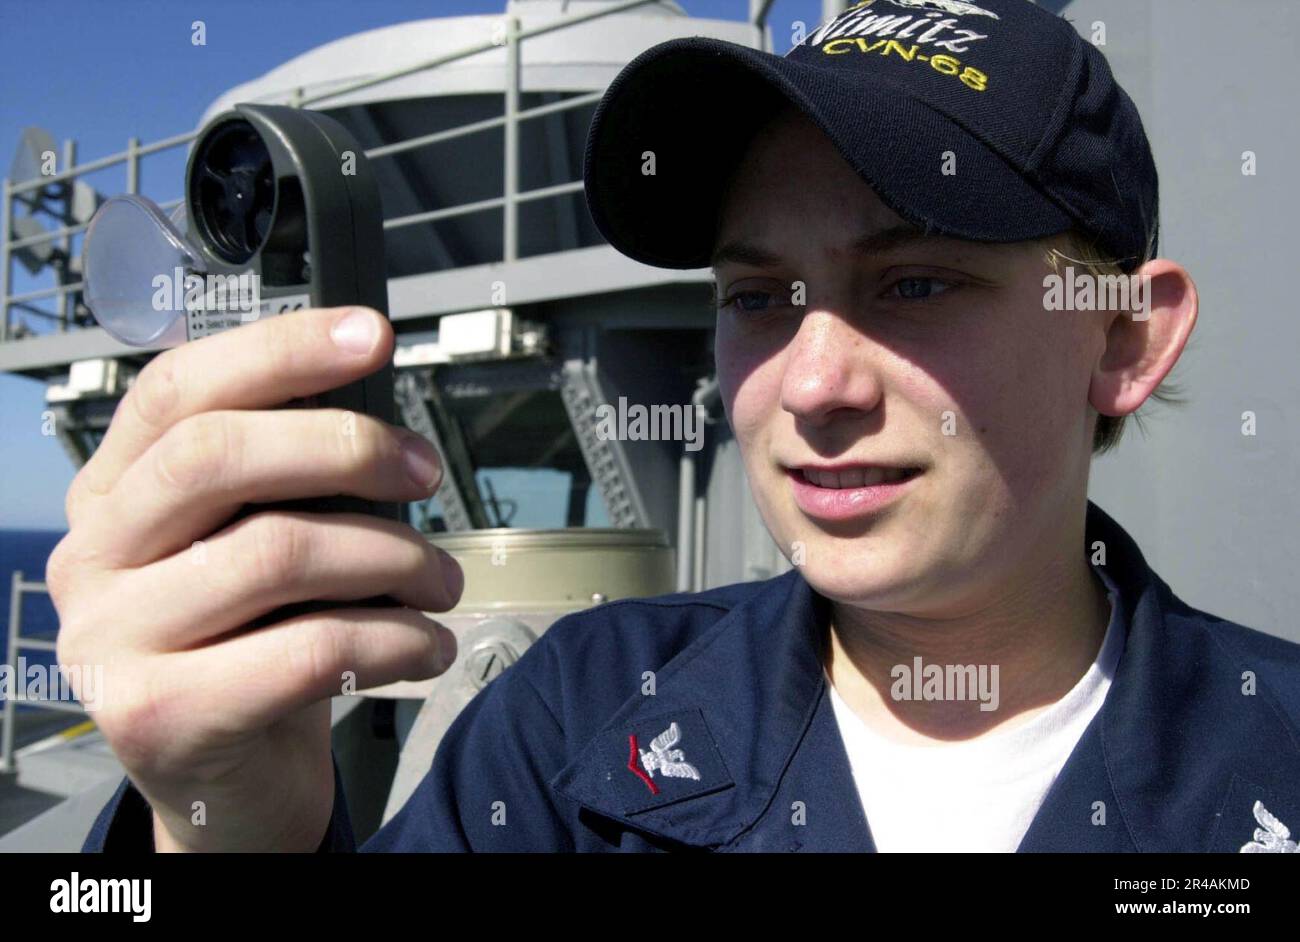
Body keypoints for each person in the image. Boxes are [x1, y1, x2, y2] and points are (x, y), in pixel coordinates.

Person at [67, 0, 1299, 853]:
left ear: (1125, 340)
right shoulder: (571, 721)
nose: (812, 384)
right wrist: (222, 822)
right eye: (757, 298)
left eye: (916, 283)